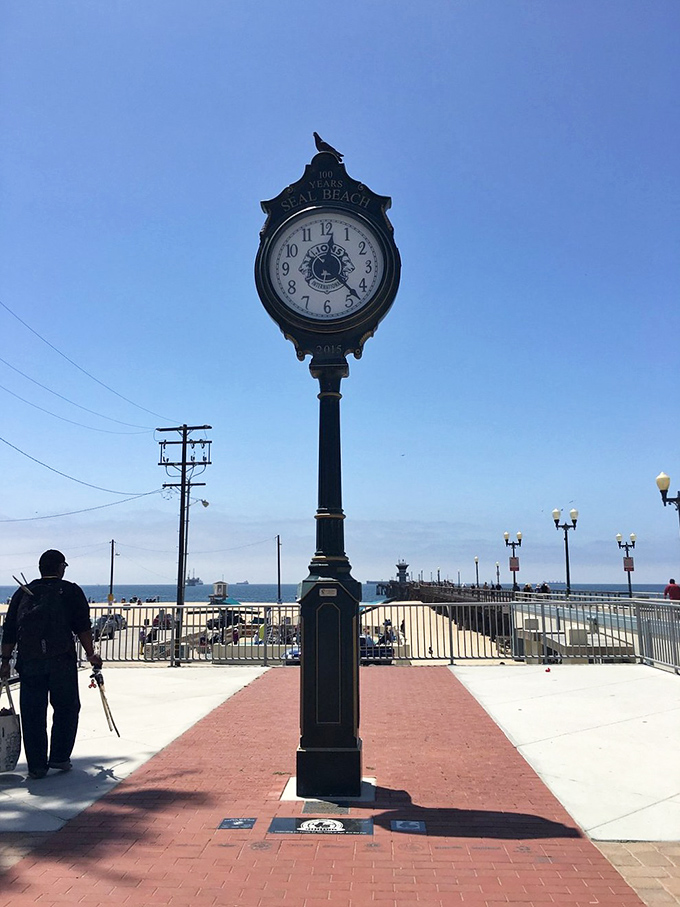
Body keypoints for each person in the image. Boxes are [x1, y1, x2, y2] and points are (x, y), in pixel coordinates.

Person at [0, 550, 103, 779]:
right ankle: (59, 757)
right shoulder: (70, 591)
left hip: (30, 662)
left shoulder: (23, 592)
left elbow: (9, 631)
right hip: (61, 662)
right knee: (67, 708)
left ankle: (36, 766)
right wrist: (91, 654)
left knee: (33, 714)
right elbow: (83, 627)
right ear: (60, 568)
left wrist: (5, 662)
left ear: (40, 568)